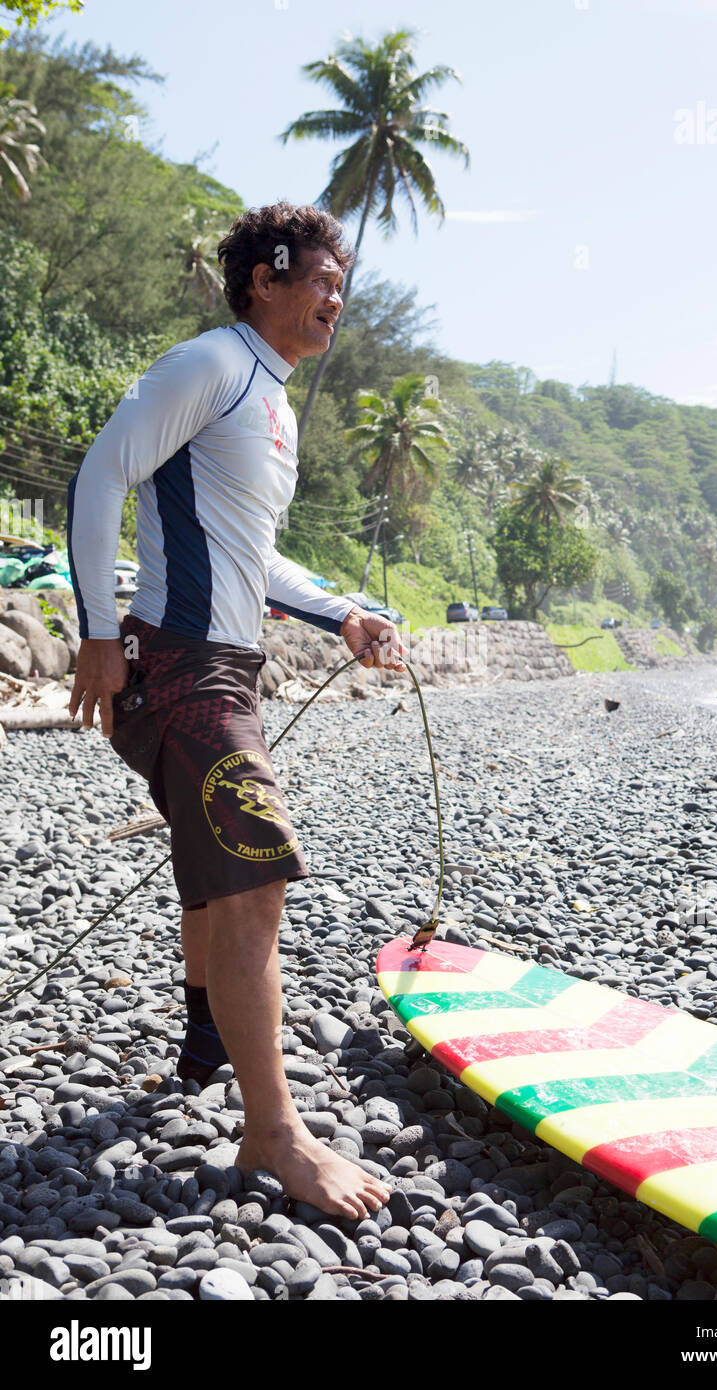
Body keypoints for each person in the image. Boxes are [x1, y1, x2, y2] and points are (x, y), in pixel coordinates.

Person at [66, 202, 403, 1220]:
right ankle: (273, 1134)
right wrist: (92, 630)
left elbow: (251, 554)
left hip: (227, 664)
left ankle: (207, 1044)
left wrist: (342, 612)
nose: (334, 300)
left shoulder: (272, 401)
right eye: (319, 281)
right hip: (177, 665)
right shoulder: (208, 364)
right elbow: (98, 475)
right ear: (263, 276)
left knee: (219, 875)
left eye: (342, 286)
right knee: (256, 879)